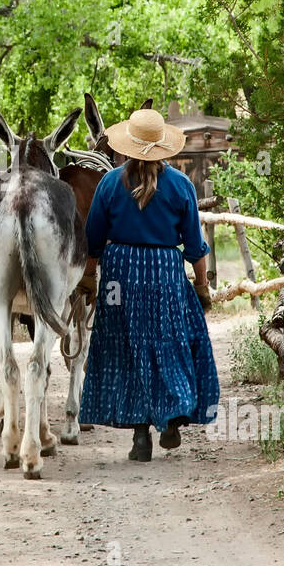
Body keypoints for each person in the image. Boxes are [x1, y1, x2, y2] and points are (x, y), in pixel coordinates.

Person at [77, 107, 219, 462]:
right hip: (164, 273)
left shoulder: (110, 183)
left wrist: (90, 281)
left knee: (127, 350)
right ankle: (170, 419)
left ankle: (140, 436)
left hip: (120, 275)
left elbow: (92, 241)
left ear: (126, 147)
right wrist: (201, 287)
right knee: (172, 343)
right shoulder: (181, 186)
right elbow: (195, 247)